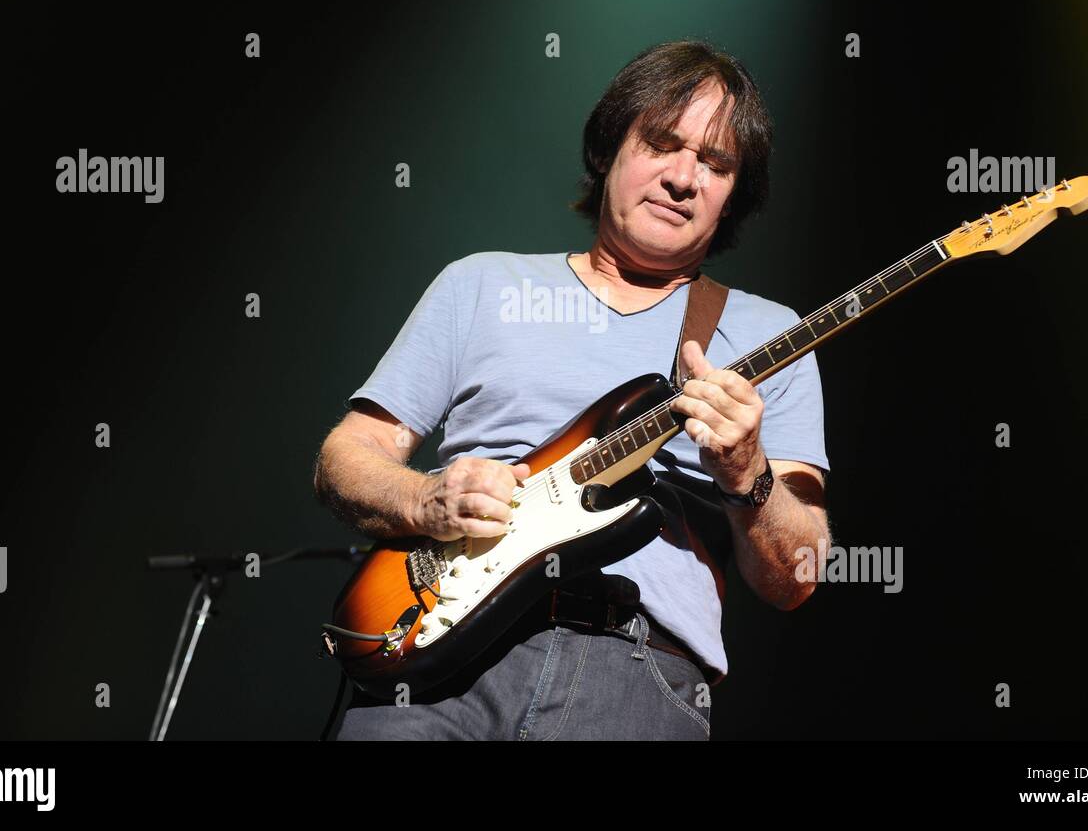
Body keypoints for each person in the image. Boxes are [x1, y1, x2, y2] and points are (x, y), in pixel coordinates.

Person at [313, 40, 831, 740]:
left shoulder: (773, 336)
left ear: (736, 192)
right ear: (611, 146)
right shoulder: (480, 284)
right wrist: (427, 498)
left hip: (637, 676)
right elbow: (347, 454)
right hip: (438, 658)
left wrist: (748, 473)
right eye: (662, 143)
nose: (684, 177)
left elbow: (795, 575)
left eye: (715, 163)